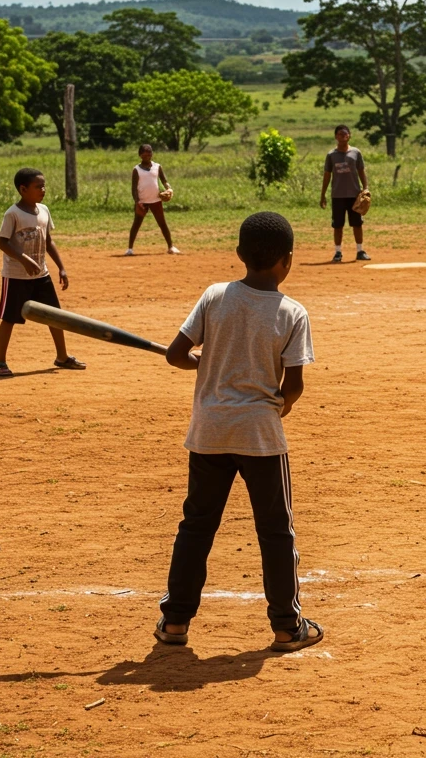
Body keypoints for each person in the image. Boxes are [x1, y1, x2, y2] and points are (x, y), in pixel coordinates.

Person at [156, 211, 323, 652]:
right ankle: (287, 626)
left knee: (196, 526)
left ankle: (174, 623)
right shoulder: (292, 312)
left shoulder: (214, 297)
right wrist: (279, 406)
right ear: (287, 260)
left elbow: (176, 354)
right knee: (275, 531)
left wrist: (199, 363)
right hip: (260, 436)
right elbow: (295, 386)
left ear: (238, 255)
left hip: (209, 431)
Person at [0, 167, 85, 377]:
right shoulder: (13, 214)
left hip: (41, 275)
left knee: (55, 316)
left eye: (44, 185)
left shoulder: (43, 210)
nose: (43, 189)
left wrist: (61, 267)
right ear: (23, 189)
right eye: (38, 186)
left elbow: (48, 241)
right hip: (16, 276)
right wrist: (23, 258)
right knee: (9, 318)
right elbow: (2, 242)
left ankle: (62, 356)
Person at [320, 125, 370, 263]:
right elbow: (327, 176)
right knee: (338, 225)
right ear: (336, 137)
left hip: (354, 195)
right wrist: (323, 194)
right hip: (338, 195)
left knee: (357, 224)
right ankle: (338, 252)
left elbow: (361, 171)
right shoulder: (331, 155)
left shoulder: (356, 153)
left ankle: (360, 250)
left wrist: (365, 188)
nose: (343, 136)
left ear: (349, 136)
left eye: (345, 134)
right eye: (340, 134)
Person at [127, 144, 179, 256]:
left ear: (152, 154)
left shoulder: (157, 166)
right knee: (136, 224)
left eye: (149, 153)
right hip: (142, 201)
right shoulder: (136, 170)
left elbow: (164, 180)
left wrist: (169, 189)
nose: (147, 155)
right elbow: (134, 188)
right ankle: (130, 249)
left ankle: (171, 247)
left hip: (155, 200)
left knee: (162, 224)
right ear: (140, 155)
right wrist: (137, 202)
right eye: (144, 153)